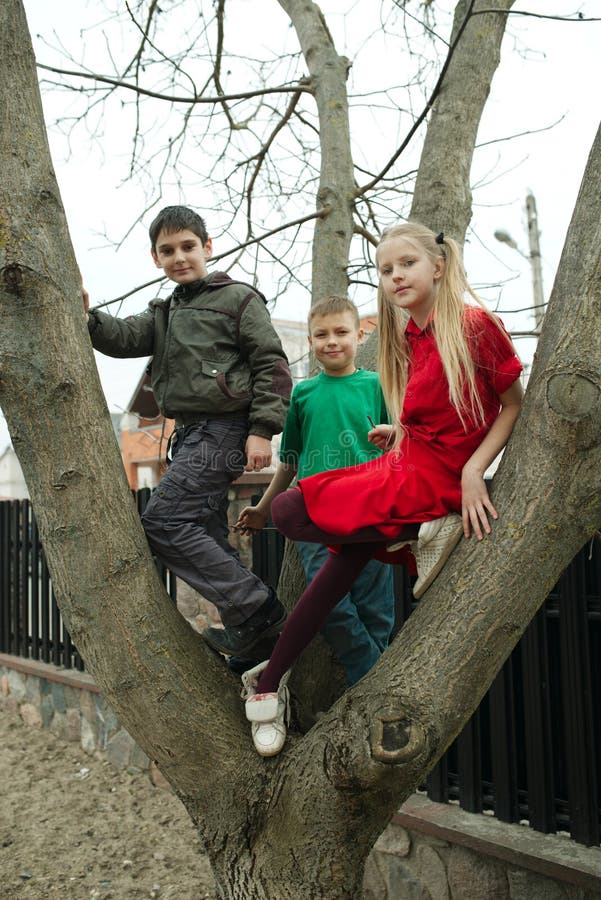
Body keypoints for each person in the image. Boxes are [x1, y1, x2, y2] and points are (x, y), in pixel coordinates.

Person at [240, 221, 524, 756]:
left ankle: (413, 530)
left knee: (289, 511)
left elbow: (512, 404)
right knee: (333, 558)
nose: (395, 277)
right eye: (385, 270)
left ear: (437, 266)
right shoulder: (412, 335)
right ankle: (267, 681)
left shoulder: (473, 324)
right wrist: (399, 430)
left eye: (406, 265)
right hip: (407, 460)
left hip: (435, 478)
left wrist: (472, 471)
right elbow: (439, 410)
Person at [84, 205, 292, 657]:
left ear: (207, 247)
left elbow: (271, 364)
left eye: (188, 246)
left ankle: (256, 606)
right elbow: (122, 338)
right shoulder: (163, 312)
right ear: (156, 258)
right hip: (191, 436)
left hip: (225, 429)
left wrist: (262, 430)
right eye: (167, 250)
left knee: (164, 522)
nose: (179, 257)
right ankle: (251, 635)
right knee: (204, 531)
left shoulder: (237, 298)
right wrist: (88, 318)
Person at [224, 295, 396, 692]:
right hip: (317, 514)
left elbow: (401, 444)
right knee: (330, 605)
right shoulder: (303, 395)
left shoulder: (377, 386)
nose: (331, 341)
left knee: (377, 608)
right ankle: (374, 679)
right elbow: (290, 460)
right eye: (321, 334)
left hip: (371, 508)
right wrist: (264, 509)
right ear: (311, 340)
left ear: (358, 335)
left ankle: (373, 683)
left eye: (341, 332)